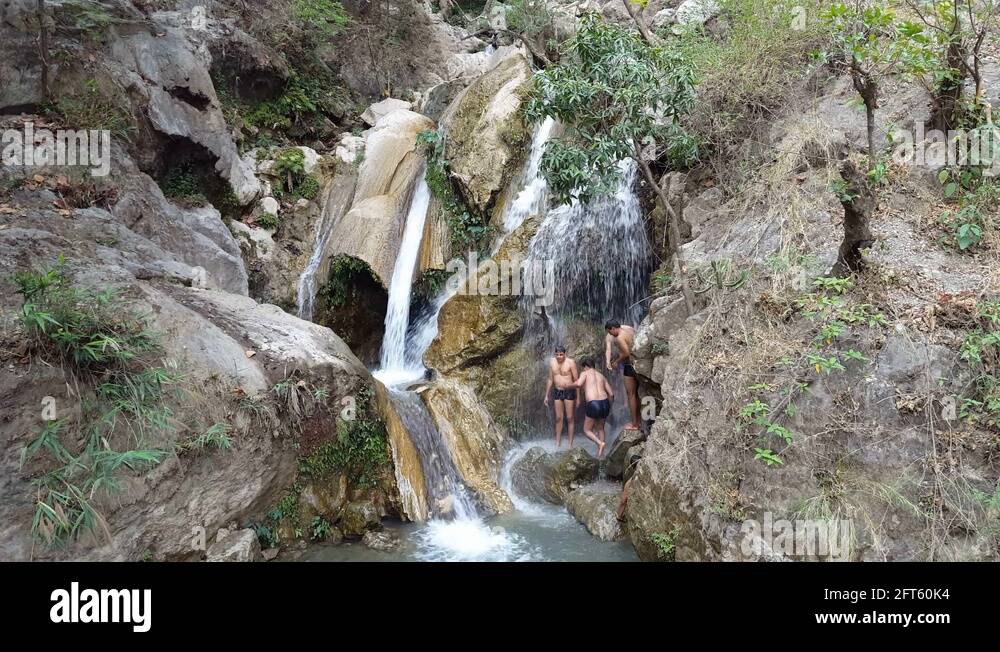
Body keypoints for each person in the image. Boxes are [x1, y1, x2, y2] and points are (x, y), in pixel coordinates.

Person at [571, 357, 615, 458]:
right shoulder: (601, 376)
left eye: (583, 368)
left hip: (594, 404)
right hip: (605, 403)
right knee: (600, 428)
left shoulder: (585, 373)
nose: (583, 370)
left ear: (585, 367)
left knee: (587, 430)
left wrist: (567, 385)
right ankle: (601, 454)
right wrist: (610, 406)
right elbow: (611, 394)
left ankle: (600, 443)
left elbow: (578, 384)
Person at [605, 319, 641, 431]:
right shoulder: (629, 329)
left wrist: (616, 362)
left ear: (613, 328)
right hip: (639, 363)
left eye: (610, 332)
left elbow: (626, 353)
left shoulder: (619, 337)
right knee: (638, 393)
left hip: (630, 365)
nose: (610, 335)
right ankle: (640, 420)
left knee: (631, 394)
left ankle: (635, 424)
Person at [543, 345, 579, 447]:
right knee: (558, 418)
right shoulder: (552, 362)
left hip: (569, 391)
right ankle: (557, 442)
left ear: (565, 354)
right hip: (557, 391)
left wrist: (579, 398)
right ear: (555, 354)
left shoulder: (570, 363)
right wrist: (546, 395)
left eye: (561, 354)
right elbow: (550, 379)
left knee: (570, 417)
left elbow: (577, 381)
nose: (559, 357)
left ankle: (570, 444)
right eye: (557, 354)